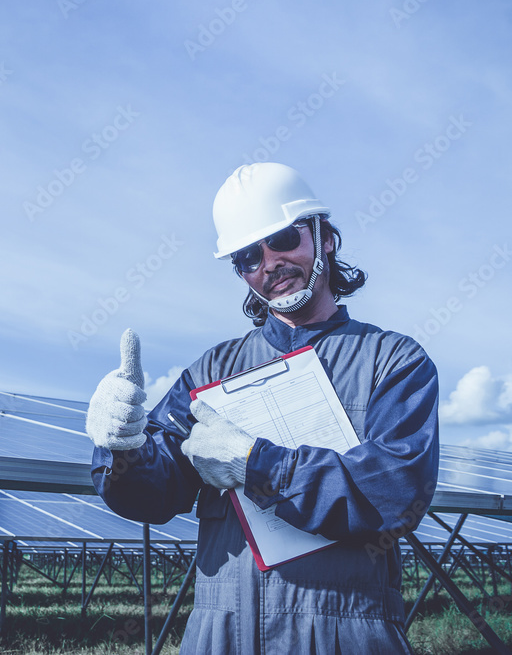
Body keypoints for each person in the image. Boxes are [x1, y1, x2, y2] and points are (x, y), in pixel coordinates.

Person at [85, 162, 439, 653]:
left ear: (324, 238)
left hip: (346, 631)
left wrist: (257, 465)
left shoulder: (393, 361)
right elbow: (156, 494)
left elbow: (395, 492)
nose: (269, 263)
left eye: (283, 239)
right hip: (221, 633)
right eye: (249, 256)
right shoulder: (210, 371)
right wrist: (123, 447)